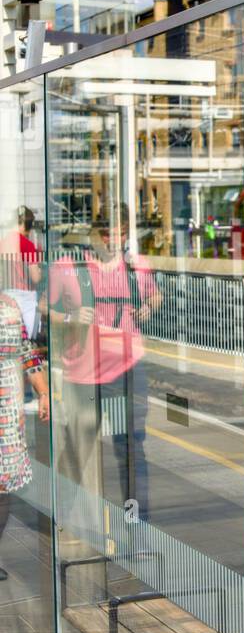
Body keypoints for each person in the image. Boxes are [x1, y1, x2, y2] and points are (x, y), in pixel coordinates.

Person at [50, 206, 161, 521]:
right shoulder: (67, 266)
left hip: (128, 367)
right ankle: (59, 516)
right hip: (83, 370)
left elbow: (155, 296)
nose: (114, 239)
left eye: (122, 232)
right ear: (94, 232)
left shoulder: (138, 266)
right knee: (78, 445)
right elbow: (46, 309)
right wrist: (70, 317)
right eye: (108, 231)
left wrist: (149, 308)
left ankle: (134, 523)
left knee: (130, 449)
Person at [0, 291, 49, 582]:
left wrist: (43, 393)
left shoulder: (11, 308)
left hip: (7, 409)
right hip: (9, 408)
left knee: (3, 484)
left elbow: (28, 353)